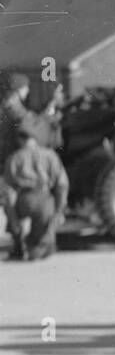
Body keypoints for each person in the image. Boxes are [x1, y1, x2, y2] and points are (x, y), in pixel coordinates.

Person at [3, 117, 68, 261]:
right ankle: (41, 247)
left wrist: (13, 218)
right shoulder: (51, 156)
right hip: (46, 199)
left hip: (25, 200)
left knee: (13, 210)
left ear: (20, 139)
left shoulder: (14, 158)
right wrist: (59, 211)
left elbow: (8, 191)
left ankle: (19, 247)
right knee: (45, 224)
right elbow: (62, 185)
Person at [0, 72, 36, 257]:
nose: (28, 90)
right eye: (26, 87)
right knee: (18, 206)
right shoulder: (19, 112)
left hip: (4, 166)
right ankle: (22, 246)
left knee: (11, 206)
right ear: (19, 90)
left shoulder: (3, 110)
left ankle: (18, 245)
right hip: (16, 167)